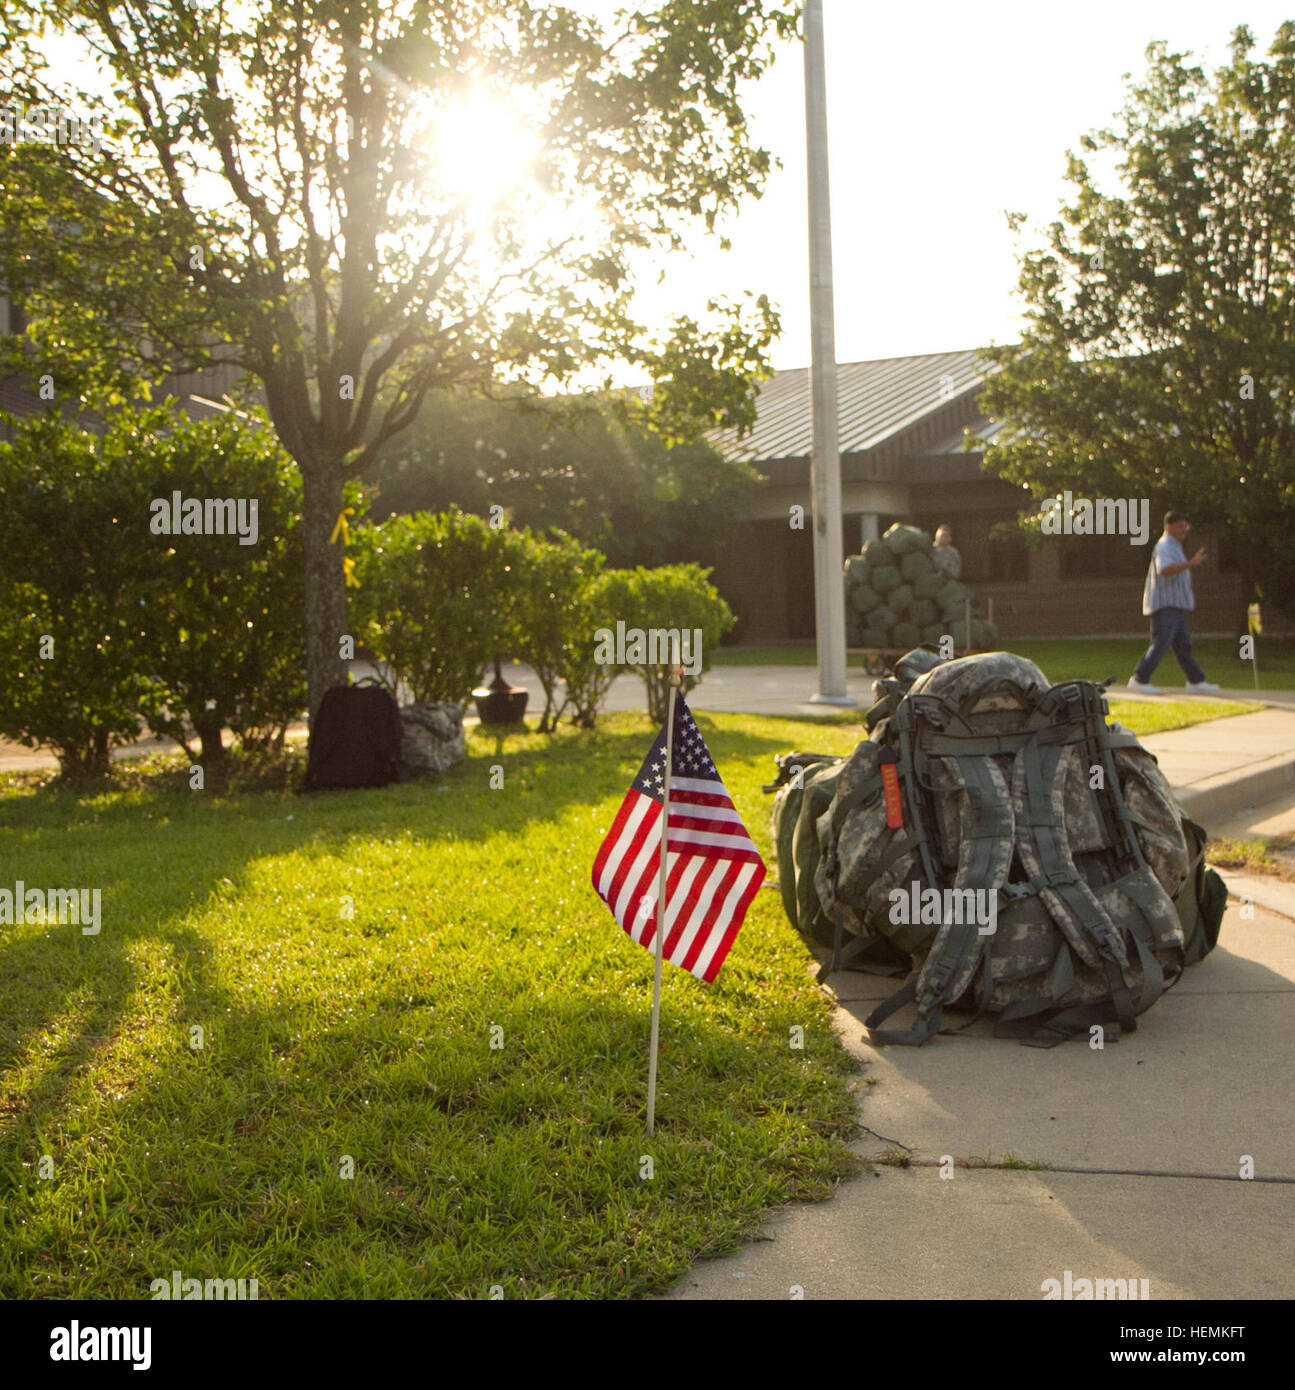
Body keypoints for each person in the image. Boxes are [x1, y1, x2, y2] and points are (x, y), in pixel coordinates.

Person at [1128, 511, 1220, 695]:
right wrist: (1191, 563)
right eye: (1180, 526)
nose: (1183, 530)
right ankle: (1139, 679)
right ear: (1168, 526)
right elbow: (1165, 569)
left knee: (1183, 645)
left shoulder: (1175, 546)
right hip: (1165, 604)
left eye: (1185, 527)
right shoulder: (1165, 546)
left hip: (1175, 605)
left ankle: (1195, 681)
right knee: (1161, 642)